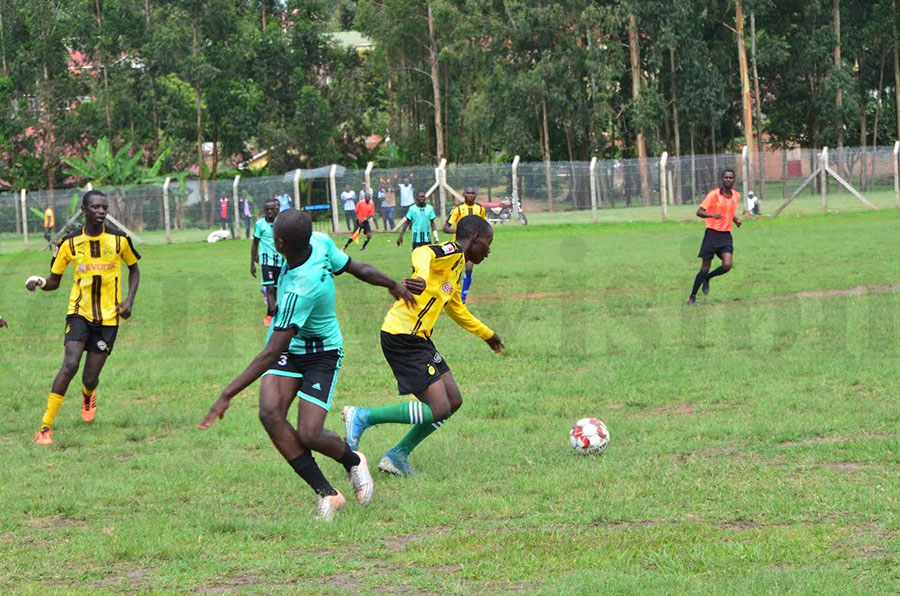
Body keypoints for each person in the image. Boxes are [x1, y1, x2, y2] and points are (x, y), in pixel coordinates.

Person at [198, 210, 417, 521]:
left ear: (282, 243)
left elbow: (270, 353)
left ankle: (353, 460)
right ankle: (327, 494)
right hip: (291, 346)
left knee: (309, 433)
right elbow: (357, 268)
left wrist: (226, 395)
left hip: (321, 352)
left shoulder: (303, 287)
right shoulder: (318, 241)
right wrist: (392, 284)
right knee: (270, 413)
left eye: (274, 237)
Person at [343, 215, 504, 477]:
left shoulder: (458, 267)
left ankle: (398, 455)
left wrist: (487, 335)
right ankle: (362, 417)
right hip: (401, 336)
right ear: (475, 239)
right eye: (488, 242)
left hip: (418, 338)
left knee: (453, 401)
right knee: (438, 408)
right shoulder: (453, 251)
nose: (489, 250)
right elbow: (423, 252)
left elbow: (456, 309)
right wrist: (420, 274)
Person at [27, 190, 141, 446]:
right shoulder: (69, 243)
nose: (101, 211)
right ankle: (45, 427)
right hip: (78, 313)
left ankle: (88, 394)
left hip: (109, 318)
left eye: (104, 207)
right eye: (96, 207)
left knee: (90, 377)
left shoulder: (120, 240)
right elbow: (54, 280)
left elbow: (134, 269)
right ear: (84, 210)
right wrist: (39, 281)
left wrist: (129, 301)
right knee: (70, 364)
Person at [687, 168, 742, 306]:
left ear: (734, 180)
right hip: (711, 234)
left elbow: (727, 211)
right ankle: (691, 298)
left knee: (727, 264)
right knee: (704, 267)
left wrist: (735, 219)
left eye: (731, 177)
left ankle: (708, 278)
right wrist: (712, 215)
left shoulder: (736, 196)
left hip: (725, 236)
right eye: (726, 177)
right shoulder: (714, 195)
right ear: (722, 179)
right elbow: (699, 212)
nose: (728, 180)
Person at [442, 186, 487, 303]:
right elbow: (445, 228)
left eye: (473, 193)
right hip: (459, 245)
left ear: (475, 195)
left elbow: (484, 226)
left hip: (473, 246)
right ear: (464, 194)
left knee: (469, 268)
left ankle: (462, 297)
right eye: (468, 193)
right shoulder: (458, 209)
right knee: (454, 271)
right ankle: (449, 294)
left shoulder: (480, 209)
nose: (470, 195)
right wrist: (459, 232)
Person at [252, 198, 282, 327]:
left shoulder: (281, 223)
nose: (270, 212)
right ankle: (271, 316)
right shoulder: (260, 224)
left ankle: (272, 313)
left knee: (276, 289)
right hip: (266, 261)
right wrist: (252, 262)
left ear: (276, 209)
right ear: (264, 210)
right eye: (267, 210)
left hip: (280, 260)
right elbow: (254, 244)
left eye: (272, 209)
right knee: (269, 288)